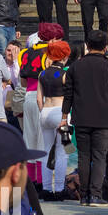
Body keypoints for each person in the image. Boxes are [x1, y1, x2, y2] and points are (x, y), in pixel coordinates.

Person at [61, 29, 108, 205]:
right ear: (105, 47)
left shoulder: (75, 67)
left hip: (81, 117)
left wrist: (64, 116)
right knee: (100, 157)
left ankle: (84, 195)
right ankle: (95, 194)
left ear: (87, 45)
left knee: (83, 156)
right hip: (103, 118)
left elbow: (68, 94)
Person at [36, 40, 70, 196]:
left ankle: (47, 189)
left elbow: (38, 99)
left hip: (45, 113)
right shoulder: (65, 74)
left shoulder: (42, 73)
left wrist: (44, 111)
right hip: (60, 113)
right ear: (64, 56)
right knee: (62, 152)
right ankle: (60, 189)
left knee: (46, 151)